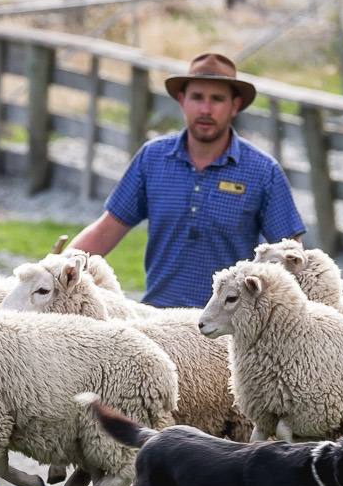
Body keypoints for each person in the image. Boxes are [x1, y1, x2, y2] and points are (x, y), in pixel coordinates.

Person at [68, 51, 307, 308]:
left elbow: (291, 257)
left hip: (229, 327)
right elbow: (105, 231)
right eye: (197, 98)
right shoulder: (153, 158)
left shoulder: (263, 172)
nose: (205, 109)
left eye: (217, 99)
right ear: (182, 101)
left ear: (234, 106)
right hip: (159, 319)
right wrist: (54, 269)